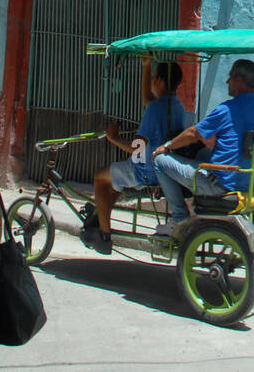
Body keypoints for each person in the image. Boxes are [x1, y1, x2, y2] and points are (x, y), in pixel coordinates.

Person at [151, 59, 254, 237]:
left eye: (230, 78)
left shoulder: (225, 110)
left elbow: (193, 133)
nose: (227, 82)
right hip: (249, 178)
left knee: (160, 160)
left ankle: (178, 218)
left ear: (239, 81)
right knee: (204, 153)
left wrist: (167, 147)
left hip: (221, 185)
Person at [81, 58, 190, 255]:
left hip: (144, 170)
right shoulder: (176, 106)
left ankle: (103, 236)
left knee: (100, 178)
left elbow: (136, 148)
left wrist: (113, 138)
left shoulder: (155, 109)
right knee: (114, 182)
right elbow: (148, 100)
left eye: (154, 77)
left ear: (161, 81)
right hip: (163, 169)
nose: (152, 82)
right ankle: (101, 216)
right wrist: (146, 67)